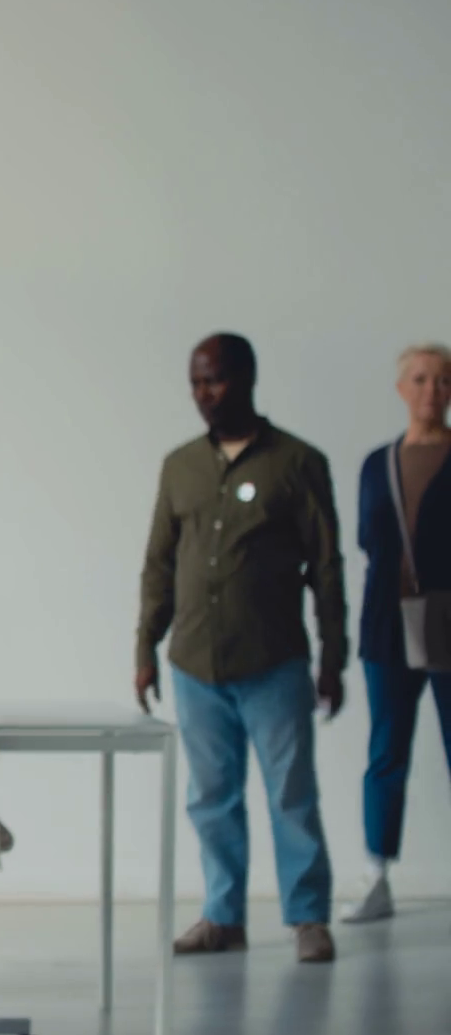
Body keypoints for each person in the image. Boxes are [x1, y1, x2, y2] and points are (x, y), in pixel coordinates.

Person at [136, 332, 346, 964]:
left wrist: (333, 656)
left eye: (216, 380)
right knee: (211, 798)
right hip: (196, 664)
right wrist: (145, 643)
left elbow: (328, 566)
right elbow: (159, 563)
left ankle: (308, 916)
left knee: (291, 793)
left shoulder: (297, 462)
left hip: (274, 661)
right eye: (197, 382)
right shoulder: (180, 466)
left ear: (248, 379)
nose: (204, 394)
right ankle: (222, 916)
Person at [341, 344, 451, 923]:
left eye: (441, 380)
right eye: (420, 379)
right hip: (388, 622)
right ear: (401, 389)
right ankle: (377, 871)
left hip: (448, 620)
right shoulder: (375, 464)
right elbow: (367, 539)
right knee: (387, 749)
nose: (431, 390)